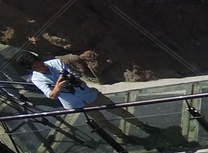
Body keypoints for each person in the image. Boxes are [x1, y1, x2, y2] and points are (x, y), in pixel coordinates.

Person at [18, 54, 157, 140]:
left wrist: (75, 78)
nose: (41, 66)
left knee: (118, 110)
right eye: (37, 66)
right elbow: (52, 96)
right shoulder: (37, 79)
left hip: (88, 93)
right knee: (102, 122)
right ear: (32, 69)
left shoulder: (55, 63)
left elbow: (75, 74)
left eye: (39, 62)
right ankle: (123, 138)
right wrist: (58, 86)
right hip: (77, 103)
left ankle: (143, 126)